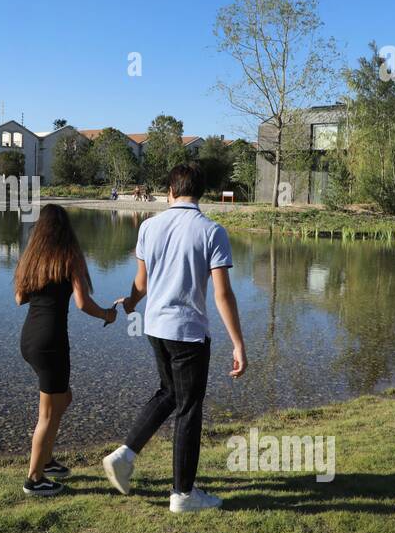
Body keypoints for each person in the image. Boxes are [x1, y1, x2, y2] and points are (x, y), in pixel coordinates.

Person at [102, 162, 248, 512]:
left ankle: (124, 455)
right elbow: (222, 294)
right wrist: (239, 343)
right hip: (188, 333)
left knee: (169, 392)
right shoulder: (212, 231)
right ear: (201, 193)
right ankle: (183, 494)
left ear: (170, 191)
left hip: (155, 328)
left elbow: (142, 282)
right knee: (188, 408)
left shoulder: (150, 227)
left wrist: (131, 303)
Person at [15, 203, 118, 496]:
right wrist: (108, 316)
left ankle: (46, 459)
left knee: (63, 398)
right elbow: (83, 303)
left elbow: (19, 298)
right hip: (51, 342)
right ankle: (34, 479)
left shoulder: (31, 258)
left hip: (30, 339)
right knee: (46, 414)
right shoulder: (69, 257)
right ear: (65, 229)